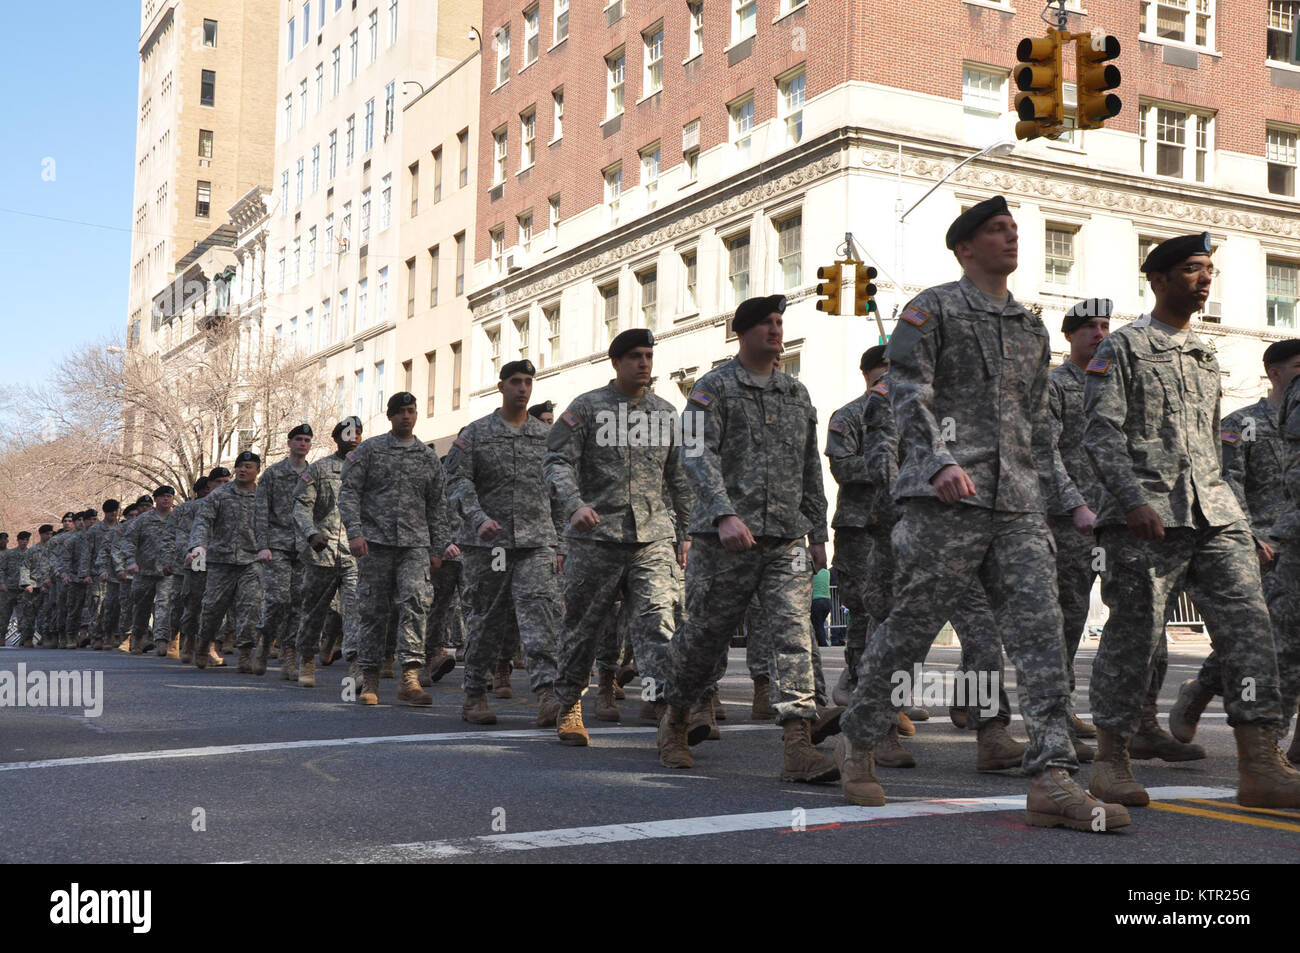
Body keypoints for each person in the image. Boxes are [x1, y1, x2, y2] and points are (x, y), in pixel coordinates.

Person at [836, 196, 1127, 831]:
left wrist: (1070, 499)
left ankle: (1053, 776)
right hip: (947, 500)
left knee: (1042, 637)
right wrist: (938, 459)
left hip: (1020, 502)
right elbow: (908, 392)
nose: (1011, 238)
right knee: (910, 626)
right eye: (998, 230)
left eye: (1013, 229)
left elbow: (1037, 428)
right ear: (966, 247)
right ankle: (859, 738)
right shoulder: (930, 310)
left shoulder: (1029, 327)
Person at [1084, 231, 1300, 809]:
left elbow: (1210, 445)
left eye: (1208, 269)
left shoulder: (1205, 354)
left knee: (1252, 634)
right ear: (1157, 280)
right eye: (1190, 269)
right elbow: (1100, 432)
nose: (1204, 278)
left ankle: (1260, 763)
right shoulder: (1123, 347)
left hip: (1215, 513)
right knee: (1136, 637)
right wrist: (1131, 500)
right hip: (1147, 513)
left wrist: (1242, 520)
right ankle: (1111, 759)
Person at [658, 295, 837, 781]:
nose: (775, 331)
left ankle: (798, 742)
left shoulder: (796, 394)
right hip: (723, 540)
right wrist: (723, 514)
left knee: (793, 634)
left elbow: (809, 467)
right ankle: (675, 717)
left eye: (779, 322)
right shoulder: (711, 390)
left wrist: (817, 531)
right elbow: (697, 457)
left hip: (785, 539)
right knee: (705, 637)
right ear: (742, 333)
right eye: (765, 324)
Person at [544, 329, 693, 746]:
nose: (644, 363)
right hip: (596, 539)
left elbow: (680, 479)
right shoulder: (587, 409)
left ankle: (669, 717)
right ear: (616, 363)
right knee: (582, 627)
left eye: (648, 355)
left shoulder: (666, 413)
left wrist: (690, 531)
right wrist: (574, 504)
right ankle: (570, 704)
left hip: (652, 538)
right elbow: (556, 461)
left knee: (658, 625)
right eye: (634, 357)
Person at [1171, 338, 1300, 765]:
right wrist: (1247, 534)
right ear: (1274, 372)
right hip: (1261, 544)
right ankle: (1209, 695)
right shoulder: (1243, 424)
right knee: (1270, 641)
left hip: (1294, 538)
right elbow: (1227, 481)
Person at [446, 360, 563, 726]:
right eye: (515, 382)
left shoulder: (548, 437)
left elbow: (560, 491)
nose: (523, 388)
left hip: (536, 543)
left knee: (540, 617)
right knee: (487, 620)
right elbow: (457, 482)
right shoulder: (476, 434)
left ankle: (548, 695)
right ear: (501, 387)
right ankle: (475, 694)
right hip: (491, 547)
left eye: (528, 382)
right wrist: (478, 519)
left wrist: (561, 544)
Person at [338, 392, 450, 706]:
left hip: (415, 544)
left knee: (416, 603)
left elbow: (437, 505)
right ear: (390, 416)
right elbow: (349, 494)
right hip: (375, 542)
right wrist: (355, 533)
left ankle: (410, 678)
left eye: (411, 411)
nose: (406, 416)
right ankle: (369, 679)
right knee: (373, 609)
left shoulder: (427, 457)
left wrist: (437, 548)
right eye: (400, 412)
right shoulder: (370, 450)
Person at [294, 416, 364, 688]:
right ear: (337, 438)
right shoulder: (320, 470)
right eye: (348, 433)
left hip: (354, 552)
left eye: (357, 433)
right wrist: (310, 533)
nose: (353, 437)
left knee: (356, 609)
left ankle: (357, 664)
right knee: (314, 610)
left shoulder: (365, 468)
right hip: (322, 552)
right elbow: (300, 506)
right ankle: (307, 658)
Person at [190, 452, 264, 671]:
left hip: (251, 560)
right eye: (240, 466)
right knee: (212, 608)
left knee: (250, 607)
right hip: (220, 561)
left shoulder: (262, 496)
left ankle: (244, 654)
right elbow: (203, 521)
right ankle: (204, 645)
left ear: (257, 470)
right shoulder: (220, 494)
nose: (242, 470)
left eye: (248, 466)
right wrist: (198, 545)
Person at [256, 423, 314, 681]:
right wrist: (263, 545)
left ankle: (290, 653)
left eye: (307, 440)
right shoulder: (273, 473)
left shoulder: (314, 474)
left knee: (298, 602)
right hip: (277, 543)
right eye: (298, 439)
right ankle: (266, 639)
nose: (303, 443)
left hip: (304, 546)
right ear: (289, 443)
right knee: (278, 598)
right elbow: (260, 512)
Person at [122, 487, 177, 655]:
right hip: (144, 571)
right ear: (156, 499)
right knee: (141, 607)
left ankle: (161, 640)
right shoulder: (142, 520)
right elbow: (128, 541)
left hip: (167, 571)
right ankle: (138, 637)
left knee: (164, 605)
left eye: (169, 496)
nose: (166, 500)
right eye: (162, 497)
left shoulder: (177, 518)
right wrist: (131, 562)